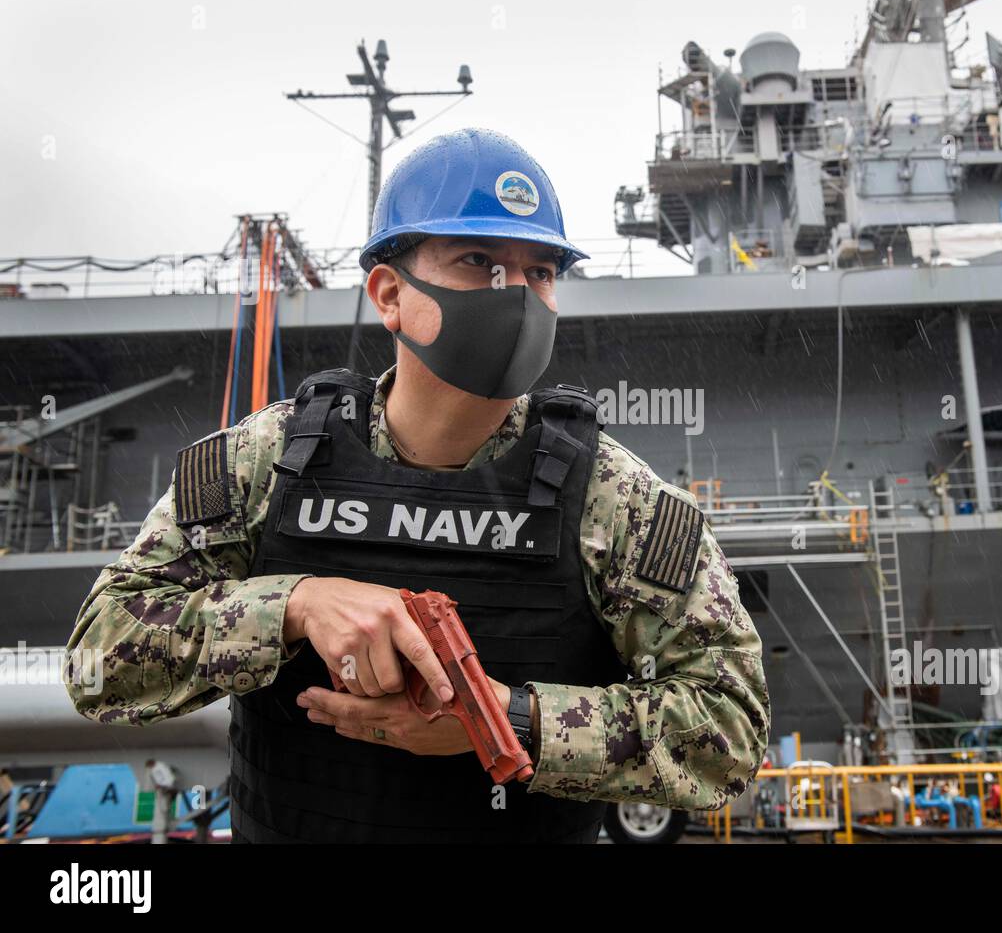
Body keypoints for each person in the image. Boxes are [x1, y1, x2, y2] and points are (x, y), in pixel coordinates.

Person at [65, 127, 770, 843]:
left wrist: (502, 719)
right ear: (390, 294)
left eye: (542, 271)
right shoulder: (263, 463)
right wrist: (294, 605)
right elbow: (98, 661)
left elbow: (731, 731)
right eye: (479, 261)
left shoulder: (618, 502)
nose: (516, 295)